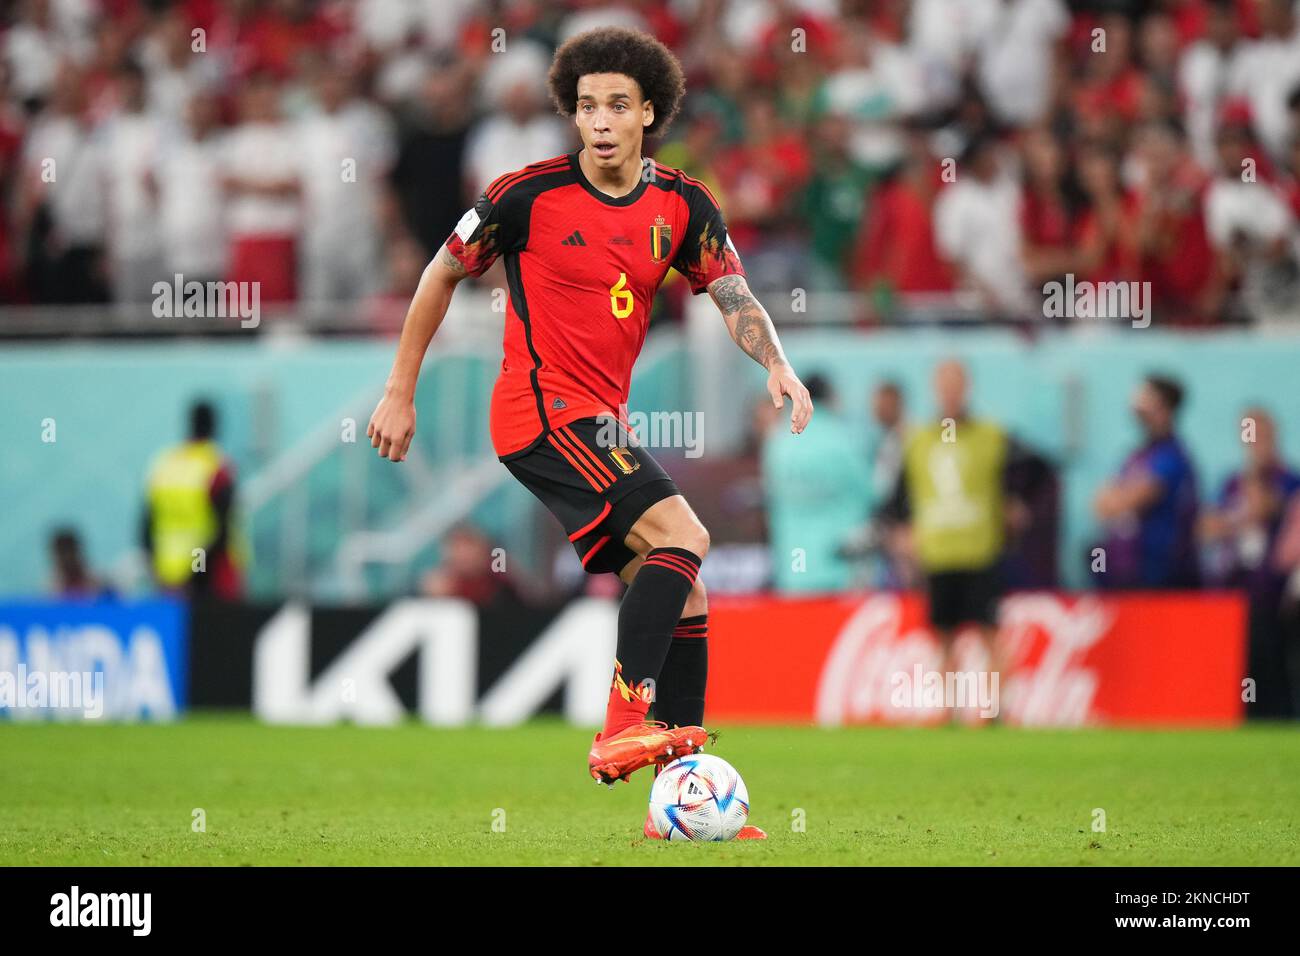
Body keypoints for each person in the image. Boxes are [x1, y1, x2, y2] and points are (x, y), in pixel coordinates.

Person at [367, 27, 813, 840]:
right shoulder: (524, 195)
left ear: (649, 112)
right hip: (539, 411)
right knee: (686, 533)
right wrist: (401, 392)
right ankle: (619, 724)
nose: (599, 120)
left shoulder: (683, 204)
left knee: (683, 579)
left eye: (616, 105)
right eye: (584, 107)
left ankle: (681, 799)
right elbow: (439, 272)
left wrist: (777, 365)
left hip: (599, 421)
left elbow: (733, 291)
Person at [891, 359, 1014, 719]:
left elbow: (1025, 478)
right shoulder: (918, 441)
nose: (951, 391)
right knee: (943, 636)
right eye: (945, 383)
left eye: (956, 383)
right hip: (939, 552)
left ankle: (994, 710)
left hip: (980, 549)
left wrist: (1013, 510)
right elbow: (900, 498)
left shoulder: (991, 436)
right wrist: (905, 533)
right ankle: (947, 709)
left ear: (967, 387)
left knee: (989, 633)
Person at [1200, 408, 1300, 718]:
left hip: (1273, 588)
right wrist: (1234, 521)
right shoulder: (1232, 482)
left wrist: (1254, 476)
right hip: (1234, 584)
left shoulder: (1286, 480)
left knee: (1272, 658)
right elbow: (1206, 527)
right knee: (1241, 660)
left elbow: (1262, 509)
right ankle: (1247, 713)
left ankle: (1278, 716)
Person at [1094, 375, 1200, 589]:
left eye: (1146, 399)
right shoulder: (1136, 456)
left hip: (1160, 572)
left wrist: (1120, 497)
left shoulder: (1172, 456)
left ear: (1164, 409)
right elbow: (1101, 505)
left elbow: (1128, 501)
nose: (1138, 408)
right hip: (1124, 568)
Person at [143, 401, 244, 601]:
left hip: (169, 580)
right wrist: (196, 571)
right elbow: (220, 531)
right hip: (210, 581)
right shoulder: (216, 467)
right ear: (215, 426)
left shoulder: (163, 466)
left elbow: (146, 529)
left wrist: (162, 572)